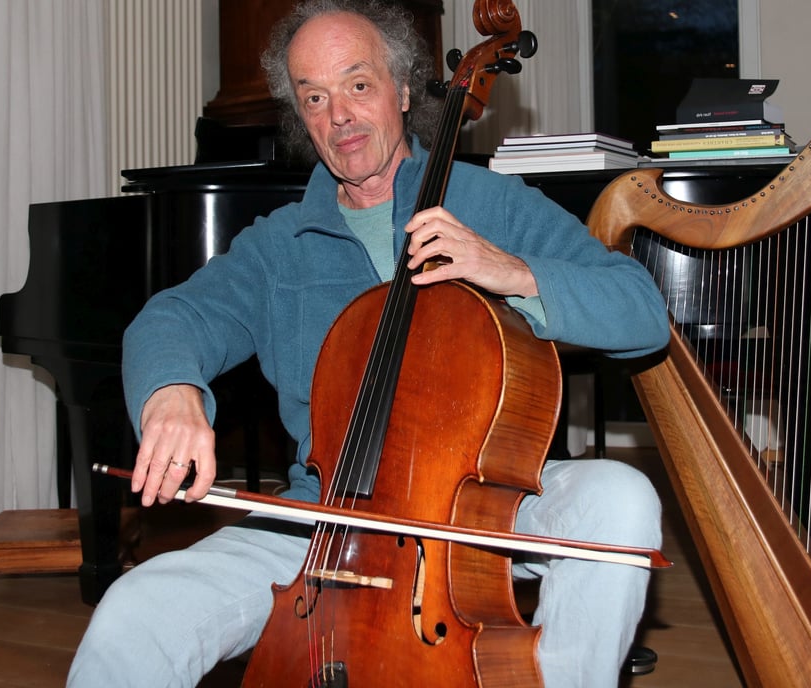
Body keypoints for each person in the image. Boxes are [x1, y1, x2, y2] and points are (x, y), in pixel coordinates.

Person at [68, 1, 670, 686]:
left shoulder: (490, 204)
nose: (340, 117)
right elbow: (171, 318)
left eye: (358, 85)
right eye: (314, 98)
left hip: (483, 501)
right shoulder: (280, 244)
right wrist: (171, 393)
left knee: (617, 497)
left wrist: (511, 270)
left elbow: (642, 312)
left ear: (405, 90)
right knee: (136, 611)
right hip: (325, 515)